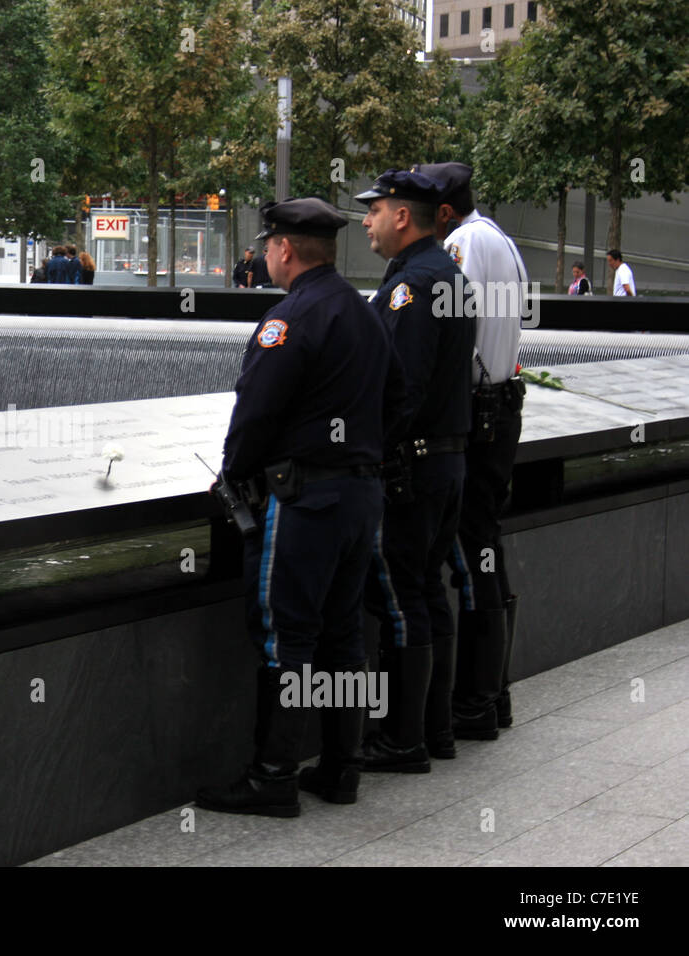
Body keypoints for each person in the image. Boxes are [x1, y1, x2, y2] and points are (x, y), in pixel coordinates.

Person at [195, 198, 403, 816]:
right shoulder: (367, 316)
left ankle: (273, 776)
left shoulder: (289, 319)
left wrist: (233, 474)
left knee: (286, 634)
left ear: (284, 249)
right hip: (361, 496)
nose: (263, 256)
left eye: (266, 247)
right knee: (344, 636)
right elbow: (397, 399)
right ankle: (342, 768)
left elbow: (255, 411)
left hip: (304, 499)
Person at [354, 168, 475, 774]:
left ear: (403, 216)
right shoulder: (444, 275)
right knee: (428, 590)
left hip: (415, 466)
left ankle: (401, 740)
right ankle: (435, 729)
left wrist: (368, 453)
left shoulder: (414, 285)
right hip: (445, 458)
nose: (367, 221)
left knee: (403, 599)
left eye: (373, 210)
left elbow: (401, 385)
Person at [414, 162, 529, 747]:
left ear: (443, 212)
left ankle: (477, 702)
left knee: (473, 547)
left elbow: (454, 334)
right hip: (504, 405)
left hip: (478, 414)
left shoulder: (460, 244)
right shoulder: (502, 240)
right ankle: (494, 694)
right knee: (488, 544)